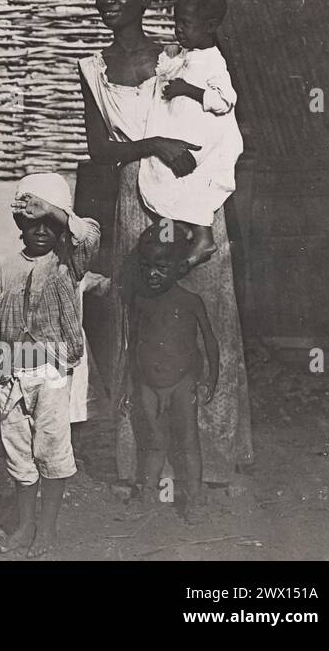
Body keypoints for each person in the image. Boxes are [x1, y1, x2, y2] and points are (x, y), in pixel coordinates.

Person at [78, 0, 251, 488]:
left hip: (190, 190)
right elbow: (101, 149)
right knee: (143, 314)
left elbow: (219, 121)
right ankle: (148, 459)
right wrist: (153, 143)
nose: (108, 2)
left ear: (145, 0)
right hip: (137, 193)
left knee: (208, 311)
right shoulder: (92, 66)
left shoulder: (179, 56)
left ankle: (214, 459)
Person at [0, 173, 100, 558]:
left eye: (49, 224)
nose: (40, 231)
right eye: (31, 222)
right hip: (13, 374)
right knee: (18, 453)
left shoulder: (69, 265)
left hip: (51, 374)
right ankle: (25, 525)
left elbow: (89, 235)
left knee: (51, 449)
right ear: (19, 224)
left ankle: (47, 529)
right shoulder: (6, 269)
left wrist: (54, 210)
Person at [139, 0, 242, 270]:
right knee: (173, 178)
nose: (178, 29)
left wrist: (187, 89)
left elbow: (224, 100)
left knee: (196, 183)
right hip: (189, 133)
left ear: (209, 27)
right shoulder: (189, 55)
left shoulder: (213, 61)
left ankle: (202, 238)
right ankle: (184, 230)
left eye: (185, 23)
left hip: (209, 140)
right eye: (176, 23)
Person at [122, 222, 218, 522]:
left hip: (181, 382)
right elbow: (133, 343)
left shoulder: (190, 301)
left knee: (188, 441)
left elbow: (210, 341)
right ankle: (148, 492)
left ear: (179, 267)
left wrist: (210, 379)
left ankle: (196, 500)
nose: (152, 273)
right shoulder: (139, 301)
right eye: (146, 266)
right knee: (153, 440)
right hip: (148, 383)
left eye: (161, 267)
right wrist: (129, 383)